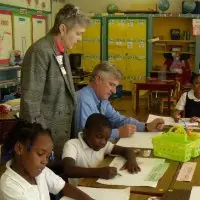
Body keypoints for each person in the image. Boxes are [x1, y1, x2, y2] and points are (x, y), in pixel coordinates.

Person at [19, 4, 91, 158]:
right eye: (78, 33)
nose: (80, 38)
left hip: (59, 138)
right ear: (63, 29)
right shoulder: (40, 51)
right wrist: (41, 143)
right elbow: (30, 105)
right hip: (44, 143)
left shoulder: (61, 51)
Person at [0, 120, 93, 200]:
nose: (45, 161)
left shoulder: (40, 171)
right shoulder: (9, 187)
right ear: (20, 148)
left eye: (48, 156)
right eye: (40, 154)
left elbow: (63, 186)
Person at [75, 61, 164, 140]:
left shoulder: (101, 99)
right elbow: (85, 135)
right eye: (111, 84)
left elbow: (117, 119)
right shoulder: (84, 99)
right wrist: (117, 133)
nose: (114, 91)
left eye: (115, 86)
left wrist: (146, 126)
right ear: (98, 80)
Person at [62, 113, 141, 186]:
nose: (103, 142)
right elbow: (68, 170)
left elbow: (126, 151)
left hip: (97, 185)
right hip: (79, 190)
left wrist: (132, 161)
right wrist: (99, 172)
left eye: (106, 139)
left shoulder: (103, 145)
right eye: (99, 137)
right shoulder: (72, 145)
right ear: (85, 132)